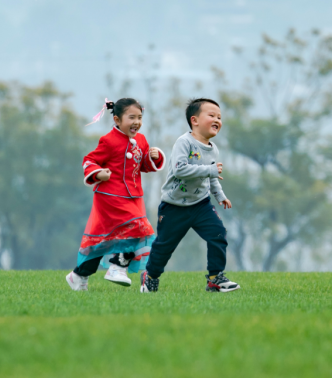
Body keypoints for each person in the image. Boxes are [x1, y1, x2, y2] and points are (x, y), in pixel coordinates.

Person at [141, 98, 240, 293]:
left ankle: (215, 279)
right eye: (211, 115)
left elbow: (211, 177)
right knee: (164, 247)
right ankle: (150, 276)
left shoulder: (213, 149)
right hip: (174, 206)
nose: (217, 120)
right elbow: (180, 170)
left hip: (201, 205)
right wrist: (209, 170)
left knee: (218, 234)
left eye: (219, 117)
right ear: (194, 120)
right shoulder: (184, 142)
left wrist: (220, 196)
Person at [67, 98, 165, 290]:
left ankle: (78, 276)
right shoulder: (108, 140)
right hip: (111, 197)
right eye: (131, 117)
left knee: (103, 241)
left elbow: (142, 165)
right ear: (117, 120)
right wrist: (99, 173)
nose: (137, 121)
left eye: (139, 117)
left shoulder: (141, 140)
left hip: (134, 198)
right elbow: (89, 160)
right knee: (140, 229)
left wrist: (155, 157)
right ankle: (117, 266)